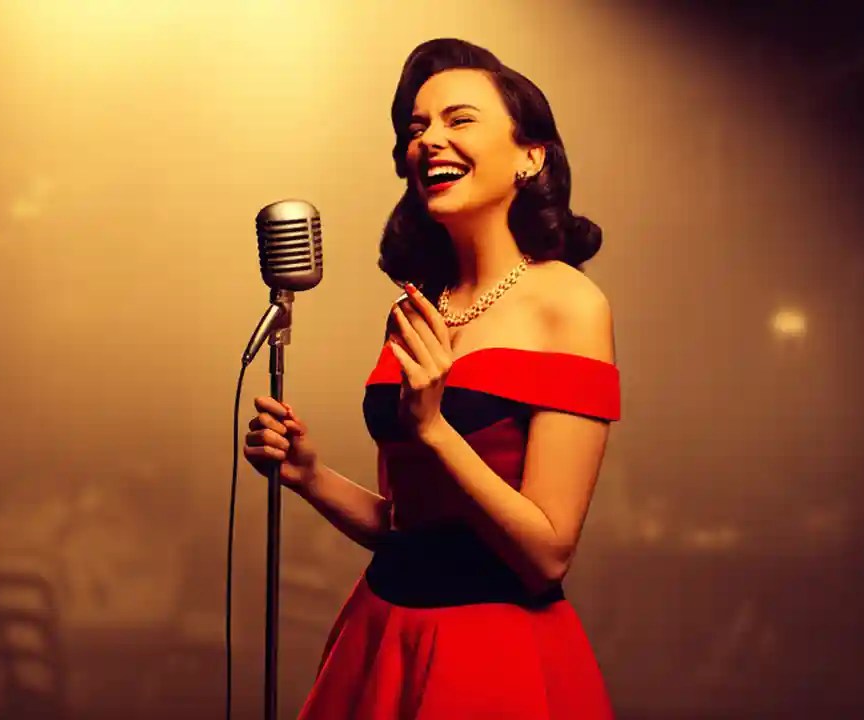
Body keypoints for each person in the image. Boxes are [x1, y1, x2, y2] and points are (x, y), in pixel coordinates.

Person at [244, 38, 620, 719]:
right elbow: (412, 528)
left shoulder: (570, 304)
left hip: (490, 654)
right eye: (416, 127)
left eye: (459, 119)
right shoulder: (420, 305)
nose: (429, 140)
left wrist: (435, 429)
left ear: (531, 156)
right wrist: (310, 475)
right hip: (384, 631)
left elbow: (546, 556)